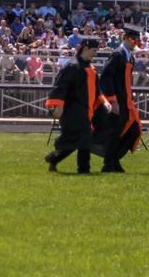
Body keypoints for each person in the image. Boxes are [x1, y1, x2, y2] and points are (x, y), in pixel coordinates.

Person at [44, 37, 111, 175]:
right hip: (72, 109)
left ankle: (53, 158)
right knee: (84, 137)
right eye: (94, 50)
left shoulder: (90, 68)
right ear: (85, 49)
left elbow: (97, 89)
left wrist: (104, 100)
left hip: (86, 109)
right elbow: (60, 87)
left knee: (75, 140)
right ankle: (84, 169)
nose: (95, 53)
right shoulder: (73, 66)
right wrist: (57, 105)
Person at [97, 25, 143, 173]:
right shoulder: (117, 55)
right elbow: (105, 77)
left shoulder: (130, 56)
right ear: (125, 38)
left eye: (137, 40)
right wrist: (112, 100)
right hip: (117, 101)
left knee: (133, 130)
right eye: (133, 40)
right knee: (115, 132)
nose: (135, 43)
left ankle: (114, 160)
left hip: (126, 101)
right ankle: (109, 164)